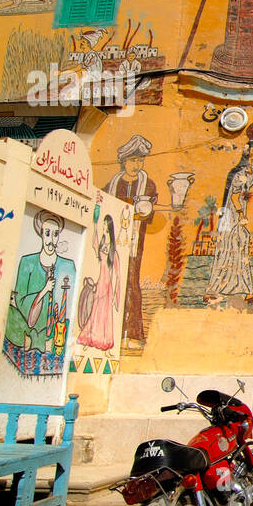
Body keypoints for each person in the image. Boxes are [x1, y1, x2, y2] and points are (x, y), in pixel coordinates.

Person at [4, 209, 77, 376]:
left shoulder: (68, 266)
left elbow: (70, 303)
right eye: (47, 233)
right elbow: (20, 299)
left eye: (55, 234)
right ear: (41, 234)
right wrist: (43, 291)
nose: (51, 240)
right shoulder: (27, 262)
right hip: (29, 322)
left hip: (55, 326)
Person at [104, 134, 157, 348]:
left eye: (140, 160)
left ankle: (133, 333)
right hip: (111, 240)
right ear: (124, 161)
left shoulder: (148, 184)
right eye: (133, 160)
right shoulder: (112, 184)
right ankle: (109, 329)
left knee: (132, 282)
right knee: (109, 281)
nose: (137, 165)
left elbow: (149, 211)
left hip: (134, 242)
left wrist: (141, 210)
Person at [205, 143, 253, 305]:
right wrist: (242, 216)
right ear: (247, 154)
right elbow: (235, 196)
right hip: (232, 218)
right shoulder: (238, 174)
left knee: (241, 249)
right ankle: (212, 291)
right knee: (228, 251)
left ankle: (248, 292)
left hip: (236, 219)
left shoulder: (248, 172)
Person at [76, 215, 120, 351]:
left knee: (103, 310)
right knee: (96, 307)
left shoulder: (112, 248)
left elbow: (117, 274)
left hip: (106, 282)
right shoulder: (102, 242)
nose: (104, 226)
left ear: (109, 226)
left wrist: (114, 294)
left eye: (105, 224)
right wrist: (94, 224)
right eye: (103, 223)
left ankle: (101, 338)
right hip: (100, 279)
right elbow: (94, 245)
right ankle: (92, 336)